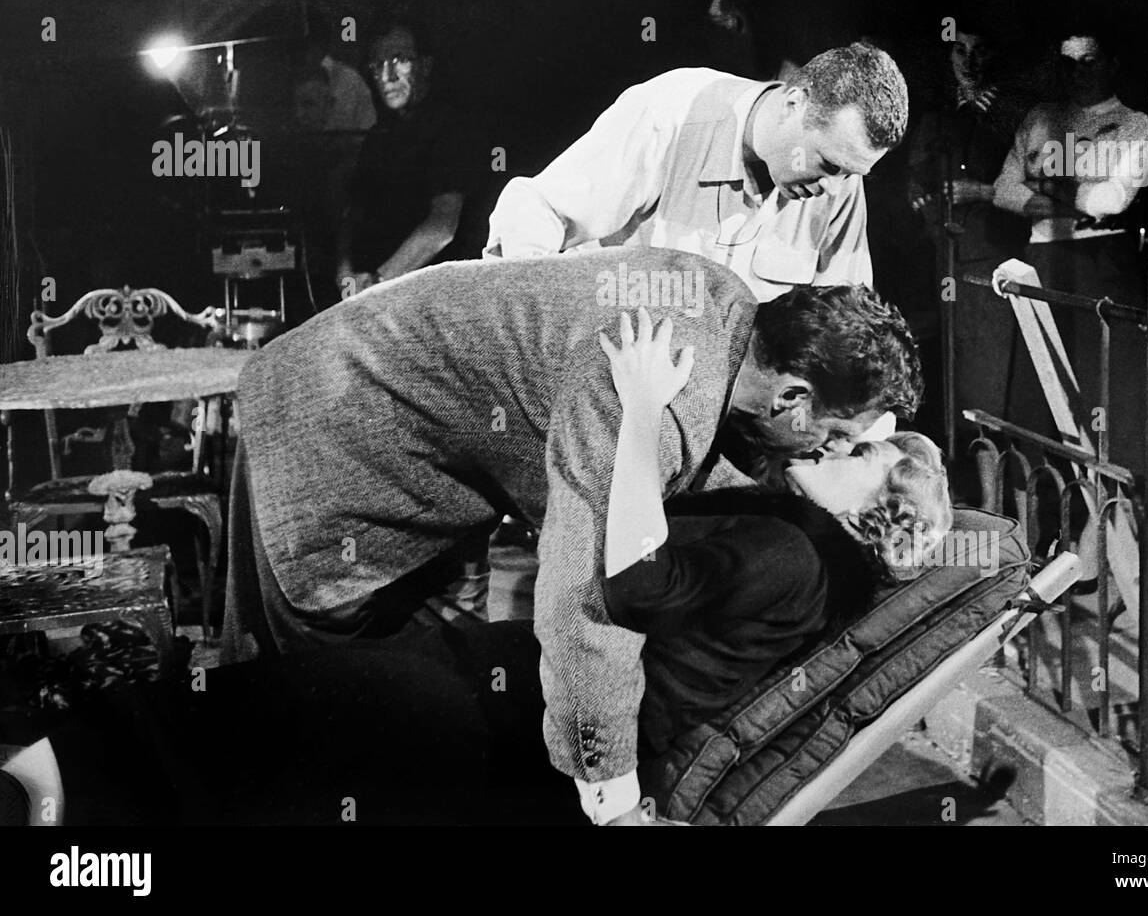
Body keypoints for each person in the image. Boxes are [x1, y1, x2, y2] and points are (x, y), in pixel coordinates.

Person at [28, 311, 945, 827]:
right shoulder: (794, 544)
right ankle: (71, 769)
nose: (843, 443)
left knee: (304, 716)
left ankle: (70, 774)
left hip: (525, 725)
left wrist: (636, 413)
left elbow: (632, 583)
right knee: (299, 706)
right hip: (514, 689)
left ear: (871, 512)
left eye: (864, 451)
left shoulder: (787, 557)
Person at [221, 245, 922, 826]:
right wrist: (610, 791)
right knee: (321, 718)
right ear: (792, 396)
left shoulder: (735, 314)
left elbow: (706, 463)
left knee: (422, 719)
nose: (827, 456)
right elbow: (586, 598)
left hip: (427, 454)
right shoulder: (657, 379)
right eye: (834, 438)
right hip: (328, 422)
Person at [483, 42, 910, 301]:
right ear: (794, 103)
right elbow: (534, 209)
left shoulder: (842, 182)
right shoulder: (669, 111)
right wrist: (536, 329)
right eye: (828, 164)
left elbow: (843, 324)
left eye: (852, 174)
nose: (832, 187)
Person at [993, 24, 1148, 465]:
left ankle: (1110, 514)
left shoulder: (1134, 124)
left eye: (1089, 61)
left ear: (1111, 65)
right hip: (1041, 261)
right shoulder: (1040, 117)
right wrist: (1073, 200)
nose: (1078, 73)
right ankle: (1032, 510)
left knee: (1104, 393)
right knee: (1035, 391)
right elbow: (1003, 189)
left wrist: (1048, 188)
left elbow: (1110, 200)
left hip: (1102, 266)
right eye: (1068, 63)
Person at [906, 22, 1030, 443]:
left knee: (993, 380)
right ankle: (968, 480)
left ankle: (1004, 485)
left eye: (979, 50)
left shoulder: (1016, 114)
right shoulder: (937, 119)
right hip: (948, 259)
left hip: (995, 259)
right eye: (960, 51)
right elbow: (914, 182)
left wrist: (981, 191)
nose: (969, 61)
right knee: (955, 374)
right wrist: (920, 201)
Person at [335, 20, 488, 297]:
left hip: (435, 296)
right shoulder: (378, 136)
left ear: (425, 66)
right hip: (373, 292)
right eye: (377, 64)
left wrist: (379, 282)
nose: (387, 75)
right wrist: (344, 272)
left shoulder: (452, 128)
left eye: (400, 60)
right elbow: (352, 215)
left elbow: (442, 226)